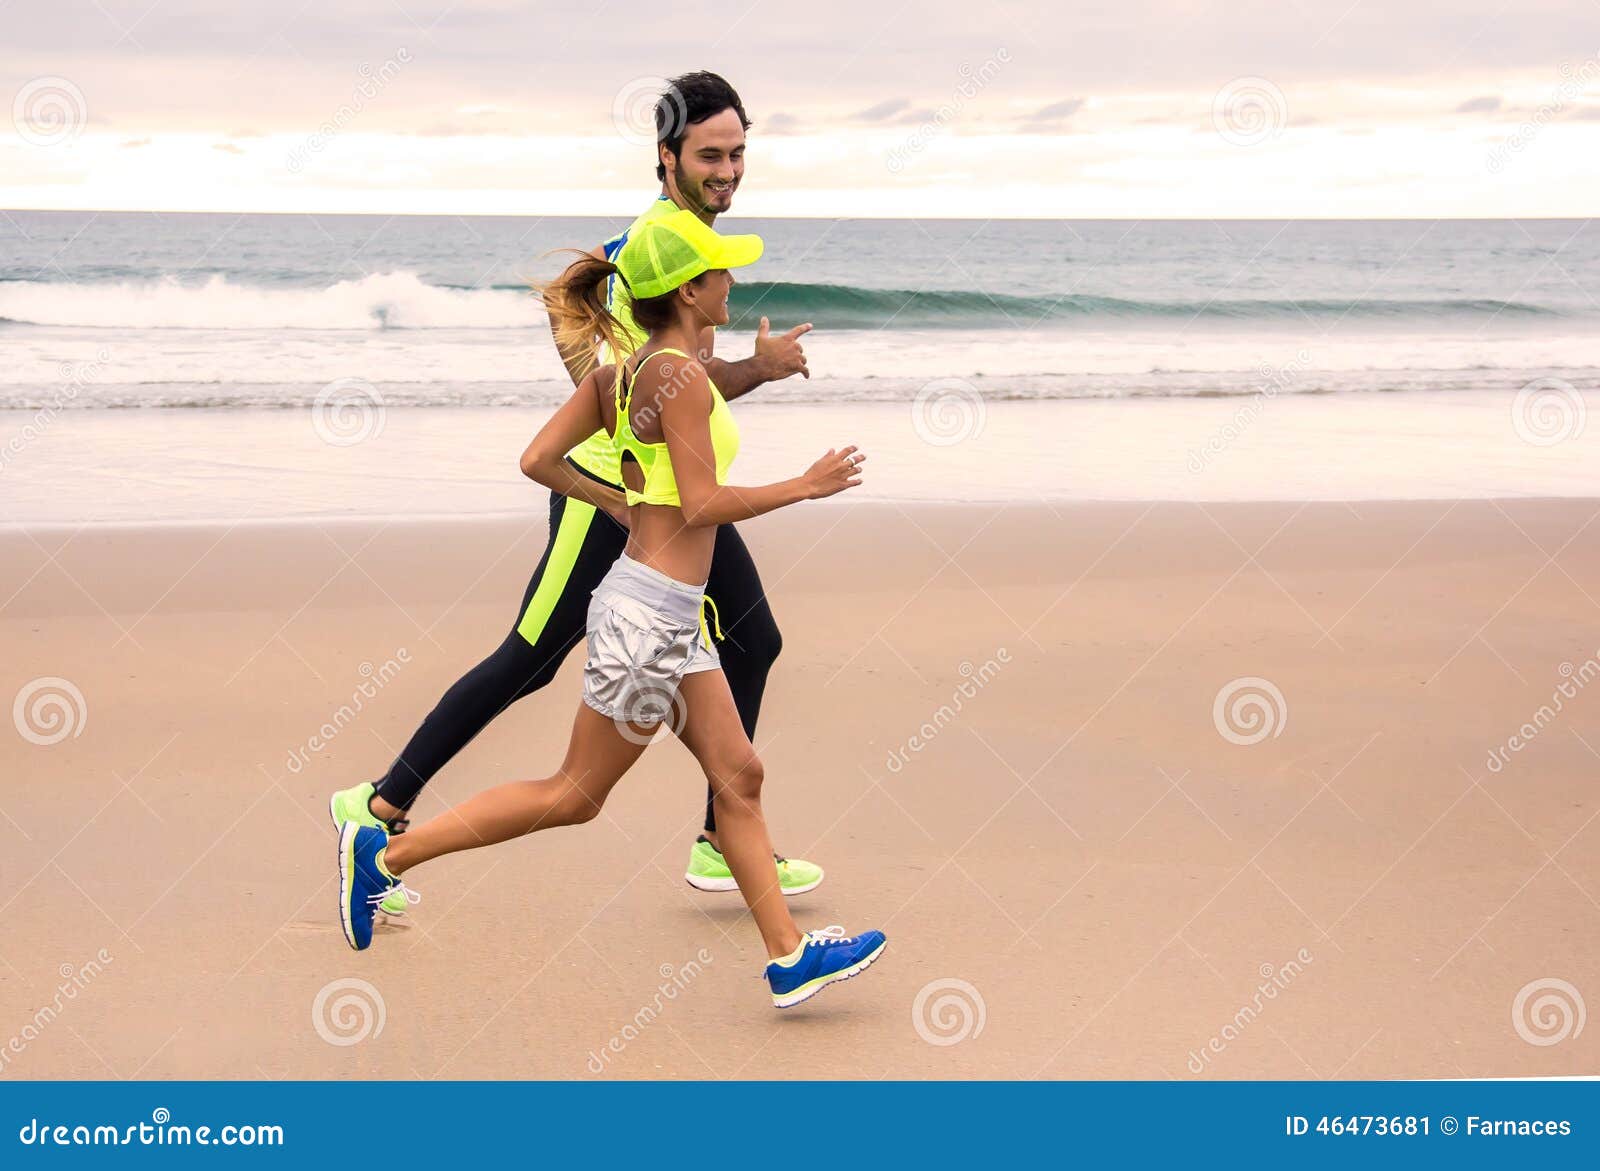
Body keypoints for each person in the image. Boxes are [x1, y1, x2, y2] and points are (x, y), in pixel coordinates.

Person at [338, 210, 886, 1008]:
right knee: (575, 794)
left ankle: (788, 956)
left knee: (739, 775)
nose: (733, 281)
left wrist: (624, 504)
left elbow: (538, 460)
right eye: (722, 272)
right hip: (650, 619)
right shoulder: (681, 377)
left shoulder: (628, 370)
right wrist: (804, 484)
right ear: (691, 290)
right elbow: (702, 503)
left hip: (663, 608)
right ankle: (383, 858)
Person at [328, 71, 823, 910]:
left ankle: (720, 836)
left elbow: (681, 392)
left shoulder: (683, 238)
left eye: (739, 153)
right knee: (531, 656)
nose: (729, 170)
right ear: (666, 158)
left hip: (668, 496)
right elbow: (654, 392)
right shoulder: (655, 245)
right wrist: (760, 373)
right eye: (711, 154)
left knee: (755, 638)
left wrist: (749, 371)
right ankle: (377, 808)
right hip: (610, 495)